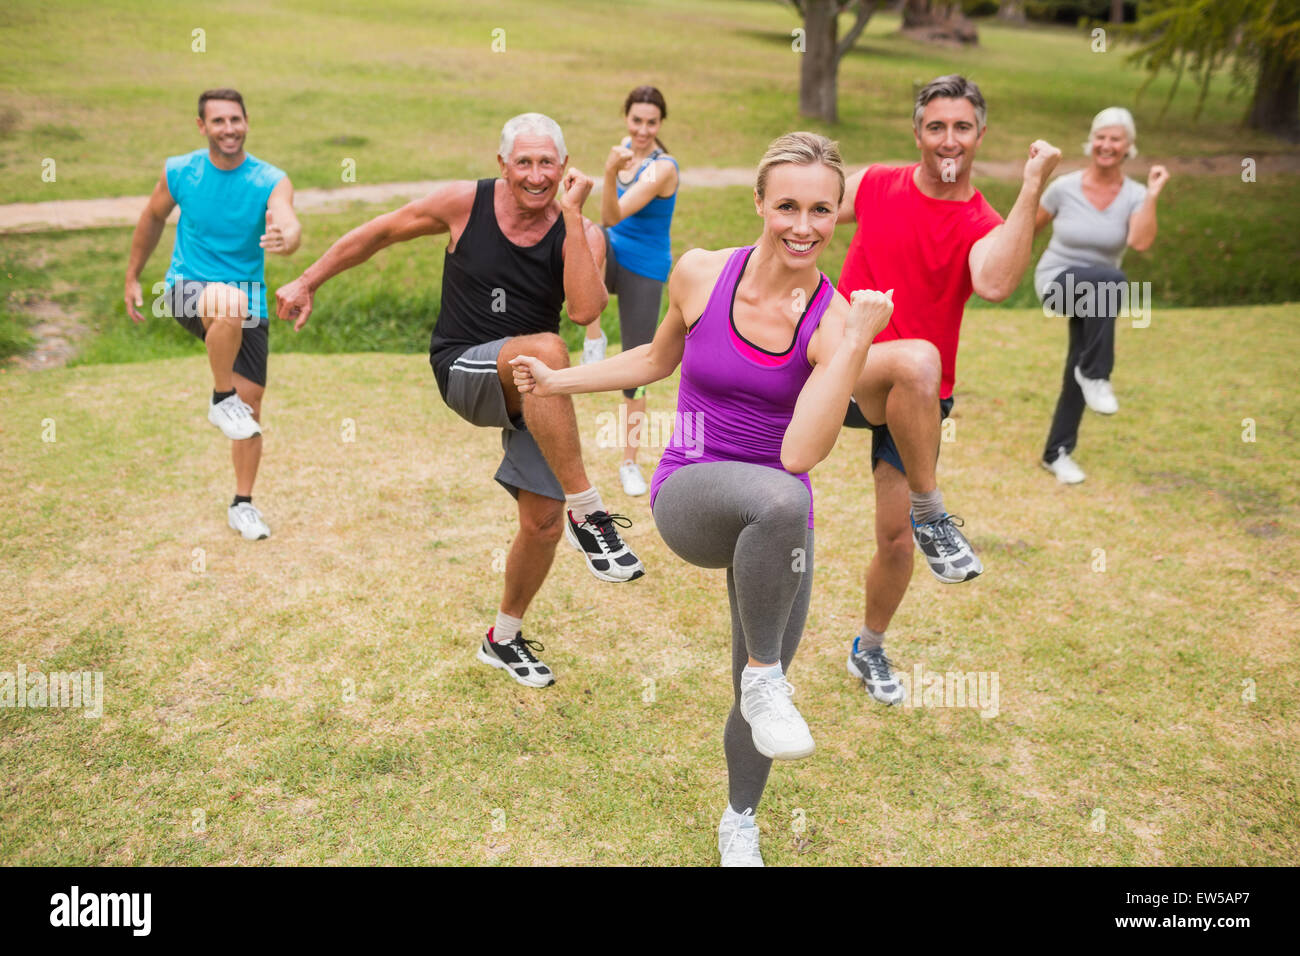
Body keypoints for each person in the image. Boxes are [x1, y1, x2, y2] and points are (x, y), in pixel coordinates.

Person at [512, 132, 894, 866]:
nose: (803, 225)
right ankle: (764, 677)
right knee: (771, 641)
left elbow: (802, 453)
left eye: (821, 209)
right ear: (759, 202)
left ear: (838, 214)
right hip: (692, 488)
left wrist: (852, 346)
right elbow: (658, 358)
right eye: (787, 205)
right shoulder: (700, 273)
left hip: (778, 518)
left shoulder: (837, 317)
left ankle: (739, 819)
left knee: (759, 677)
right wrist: (555, 382)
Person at [274, 113, 644, 690]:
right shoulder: (464, 205)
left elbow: (584, 311)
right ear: (503, 166)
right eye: (524, 161)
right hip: (464, 365)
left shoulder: (582, 232)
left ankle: (503, 638)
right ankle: (590, 509)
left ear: (565, 167)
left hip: (533, 390)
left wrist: (573, 221)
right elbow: (379, 232)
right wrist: (306, 282)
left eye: (548, 162)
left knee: (541, 524)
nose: (537, 173)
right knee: (543, 350)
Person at [837, 74, 1061, 703]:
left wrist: (1033, 185)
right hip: (849, 362)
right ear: (917, 133)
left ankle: (870, 648)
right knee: (773, 477)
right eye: (936, 126)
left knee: (893, 536)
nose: (948, 139)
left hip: (917, 396)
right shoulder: (879, 183)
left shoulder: (982, 219)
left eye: (962, 127)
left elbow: (993, 282)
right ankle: (935, 513)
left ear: (980, 134)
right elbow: (813, 206)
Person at [124, 88, 301, 540]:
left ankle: (242, 504)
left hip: (247, 299)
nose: (229, 129)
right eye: (218, 121)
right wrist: (132, 276)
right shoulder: (180, 171)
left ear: (247, 123)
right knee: (230, 305)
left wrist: (288, 237)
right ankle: (221, 398)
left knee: (253, 405)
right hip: (181, 291)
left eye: (236, 120)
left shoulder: (270, 179)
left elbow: (288, 220)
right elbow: (151, 217)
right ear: (202, 127)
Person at [1035, 107, 1168, 484]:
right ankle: (1097, 374)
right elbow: (1027, 228)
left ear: (1128, 147)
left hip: (1099, 296)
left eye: (1115, 139)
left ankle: (1056, 452)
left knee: (1078, 357)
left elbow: (1140, 241)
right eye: (1101, 137)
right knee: (1111, 278)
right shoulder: (1064, 187)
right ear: (1092, 141)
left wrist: (1153, 194)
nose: (1106, 145)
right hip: (1057, 281)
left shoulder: (1135, 195)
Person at [580, 86, 680, 497]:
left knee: (636, 372)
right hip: (612, 256)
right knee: (588, 236)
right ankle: (592, 335)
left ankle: (629, 463)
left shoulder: (663, 169)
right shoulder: (625, 148)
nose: (642, 130)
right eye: (636, 120)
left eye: (651, 123)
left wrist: (607, 172)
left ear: (660, 125)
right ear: (627, 118)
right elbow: (603, 227)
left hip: (644, 267)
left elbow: (612, 214)